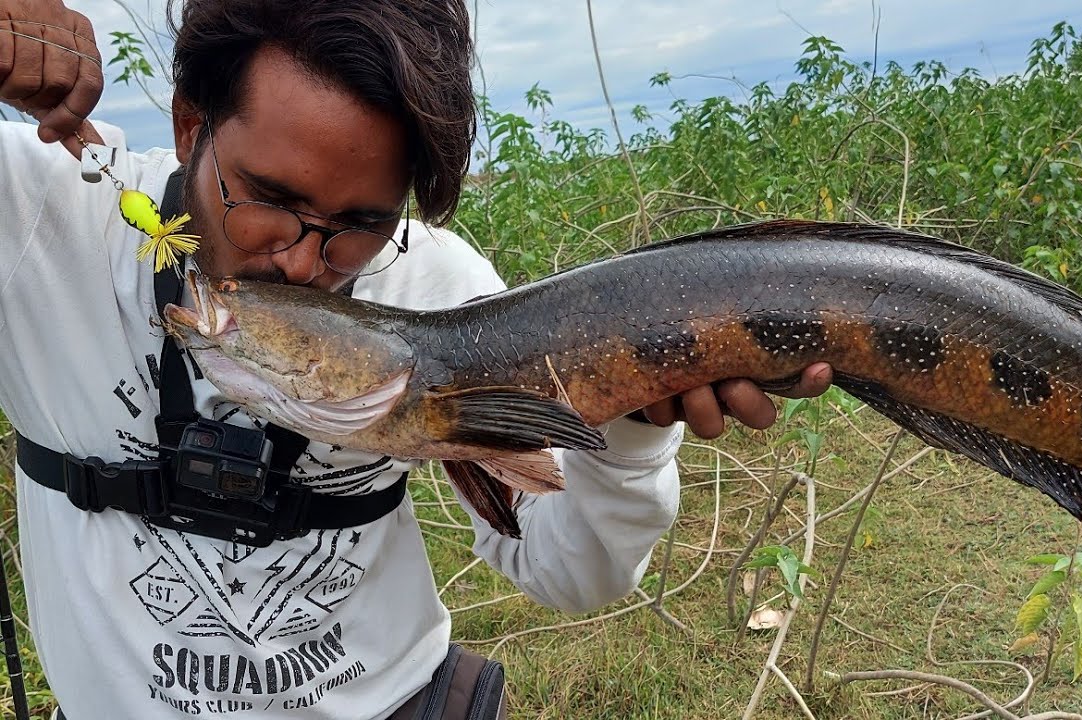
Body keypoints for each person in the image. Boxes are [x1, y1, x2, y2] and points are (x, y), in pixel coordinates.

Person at [0, 1, 833, 718]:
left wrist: (626, 431)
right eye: (271, 199)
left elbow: (571, 573)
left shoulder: (438, 288)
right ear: (191, 124)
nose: (301, 262)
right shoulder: (41, 218)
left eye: (358, 222)